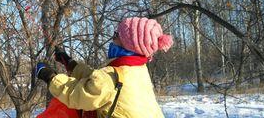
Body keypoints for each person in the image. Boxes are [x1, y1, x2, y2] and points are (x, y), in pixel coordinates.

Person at [36, 17, 173, 118]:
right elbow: (98, 80)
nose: (112, 38)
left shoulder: (112, 77)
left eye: (116, 35)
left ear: (128, 44)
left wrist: (50, 77)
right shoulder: (137, 69)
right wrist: (70, 63)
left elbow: (78, 95)